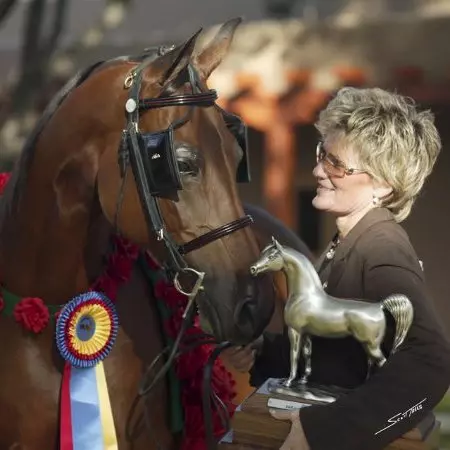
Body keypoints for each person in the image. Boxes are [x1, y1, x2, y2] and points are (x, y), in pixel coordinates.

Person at [222, 87, 450, 450]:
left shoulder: (381, 248)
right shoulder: (349, 243)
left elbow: (430, 361)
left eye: (336, 164)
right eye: (321, 154)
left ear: (383, 185)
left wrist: (324, 432)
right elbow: (336, 358)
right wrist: (262, 351)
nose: (317, 170)